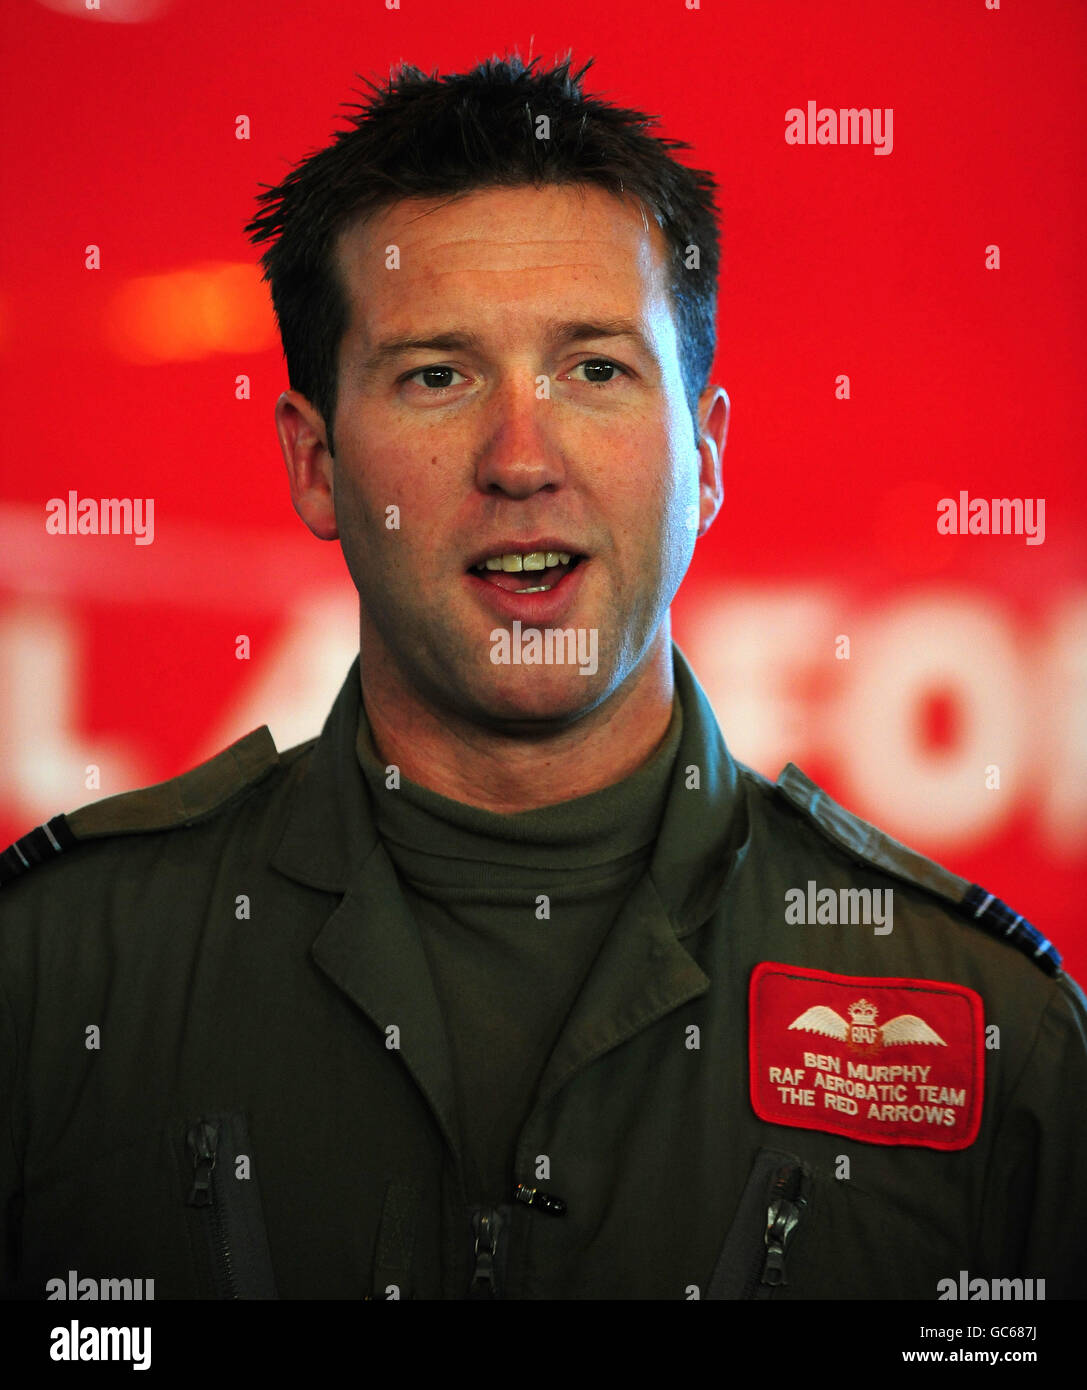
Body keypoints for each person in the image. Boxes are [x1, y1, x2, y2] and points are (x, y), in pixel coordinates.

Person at [2, 54, 1084, 1302]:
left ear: (705, 456)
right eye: (436, 375)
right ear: (314, 465)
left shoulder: (981, 1027)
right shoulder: (52, 976)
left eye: (595, 369)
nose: (521, 458)